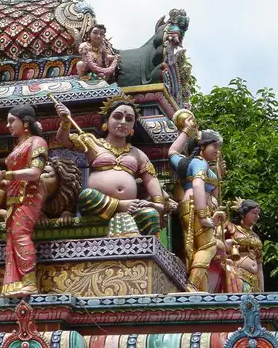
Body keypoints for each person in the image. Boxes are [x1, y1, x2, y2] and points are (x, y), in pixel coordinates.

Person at [55, 95, 165, 237]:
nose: (123, 122)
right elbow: (63, 139)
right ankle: (120, 206)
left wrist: (158, 203)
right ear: (106, 121)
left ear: (132, 128)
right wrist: (65, 121)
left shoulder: (138, 154)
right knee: (86, 195)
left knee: (150, 214)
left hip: (133, 206)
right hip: (97, 204)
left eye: (129, 119)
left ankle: (148, 256)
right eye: (117, 117)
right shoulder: (92, 142)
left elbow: (151, 179)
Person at [0, 105, 47, 298]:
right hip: (14, 197)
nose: (8, 125)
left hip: (30, 193)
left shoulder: (38, 141)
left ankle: (30, 282)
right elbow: (9, 180)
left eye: (11, 121)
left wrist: (6, 174)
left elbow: (35, 172)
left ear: (25, 122)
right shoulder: (18, 146)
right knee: (13, 236)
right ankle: (16, 282)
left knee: (20, 234)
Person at [168, 114, 225, 292]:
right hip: (197, 207)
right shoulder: (198, 163)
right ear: (202, 147)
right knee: (209, 247)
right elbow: (198, 184)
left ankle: (201, 288)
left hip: (204, 207)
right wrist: (203, 216)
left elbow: (172, 153)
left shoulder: (206, 166)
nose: (217, 150)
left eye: (219, 147)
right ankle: (192, 285)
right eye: (214, 146)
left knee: (203, 248)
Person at [226, 199, 264, 292]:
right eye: (254, 213)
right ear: (243, 213)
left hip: (255, 280)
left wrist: (262, 291)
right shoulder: (232, 229)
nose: (257, 216)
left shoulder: (255, 236)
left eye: (258, 213)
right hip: (239, 275)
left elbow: (259, 263)